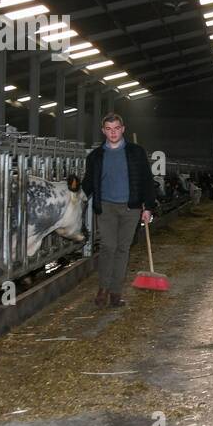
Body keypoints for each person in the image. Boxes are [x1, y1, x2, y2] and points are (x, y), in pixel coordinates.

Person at [81, 113, 157, 307]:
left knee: (123, 249)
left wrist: (148, 207)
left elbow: (146, 180)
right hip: (106, 207)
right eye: (109, 129)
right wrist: (75, 197)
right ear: (103, 131)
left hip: (131, 208)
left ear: (123, 129)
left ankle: (115, 292)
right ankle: (103, 289)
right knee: (108, 247)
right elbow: (88, 182)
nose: (113, 132)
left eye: (116, 128)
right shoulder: (95, 156)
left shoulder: (136, 152)